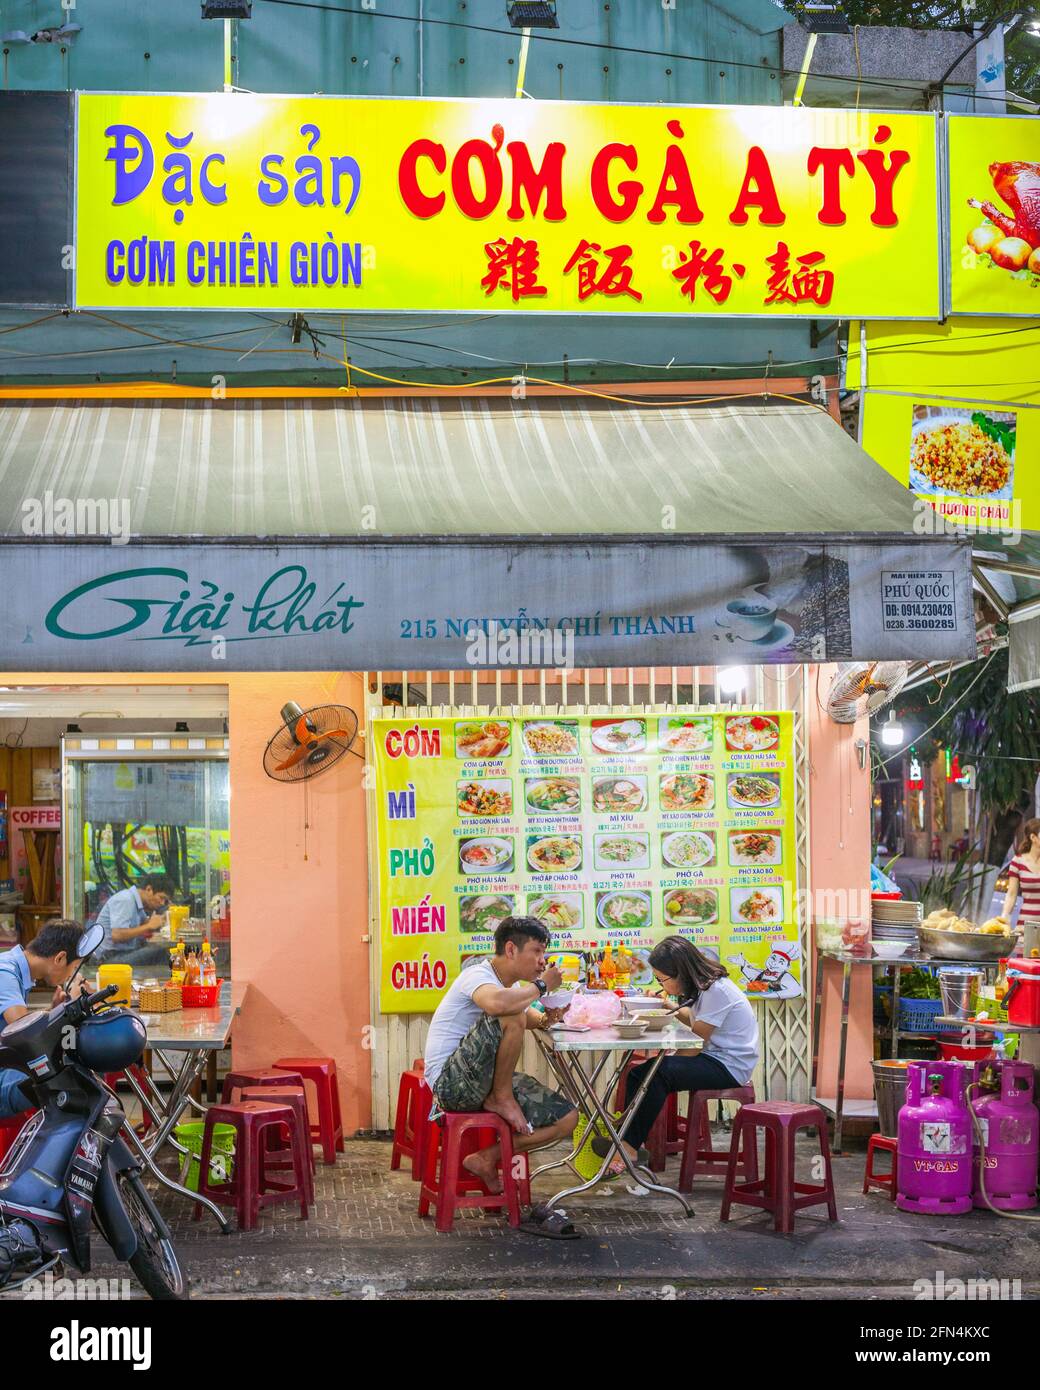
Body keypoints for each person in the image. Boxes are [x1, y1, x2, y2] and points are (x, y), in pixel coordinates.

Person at [423, 916, 577, 1193]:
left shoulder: (512, 987)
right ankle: (501, 1097)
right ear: (510, 950)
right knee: (510, 1012)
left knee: (567, 1119)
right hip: (450, 1084)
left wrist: (547, 1019)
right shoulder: (478, 975)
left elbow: (528, 1016)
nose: (543, 961)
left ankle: (486, 1158)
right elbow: (497, 1005)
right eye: (537, 951)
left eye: (544, 952)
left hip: (482, 1079)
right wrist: (543, 986)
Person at [592, 935, 760, 1174]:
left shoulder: (718, 991)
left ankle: (628, 1145)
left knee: (658, 1074)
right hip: (714, 1057)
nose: (662, 985)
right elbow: (694, 1021)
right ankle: (627, 1137)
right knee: (637, 1073)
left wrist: (667, 1060)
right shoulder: (706, 987)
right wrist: (665, 1006)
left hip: (729, 1066)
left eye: (663, 979)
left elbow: (694, 1046)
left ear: (680, 972)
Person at [0, 920, 87, 1118]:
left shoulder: (16, 968)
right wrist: (69, 1004)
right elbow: (24, 1036)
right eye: (73, 968)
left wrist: (54, 1010)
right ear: (60, 958)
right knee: (69, 1075)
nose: (70, 976)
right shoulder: (5, 973)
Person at [94, 874, 174, 966]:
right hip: (110, 958)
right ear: (149, 889)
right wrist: (149, 925)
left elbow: (145, 924)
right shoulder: (126, 899)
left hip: (121, 953)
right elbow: (117, 935)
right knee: (161, 952)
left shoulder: (137, 902)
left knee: (165, 949)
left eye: (165, 901)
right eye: (161, 898)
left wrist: (163, 918)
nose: (162, 903)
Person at [1002, 818, 1040, 954]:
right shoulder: (1018, 861)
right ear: (1033, 837)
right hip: (1025, 926)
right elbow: (1011, 894)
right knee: (1026, 969)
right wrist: (1005, 918)